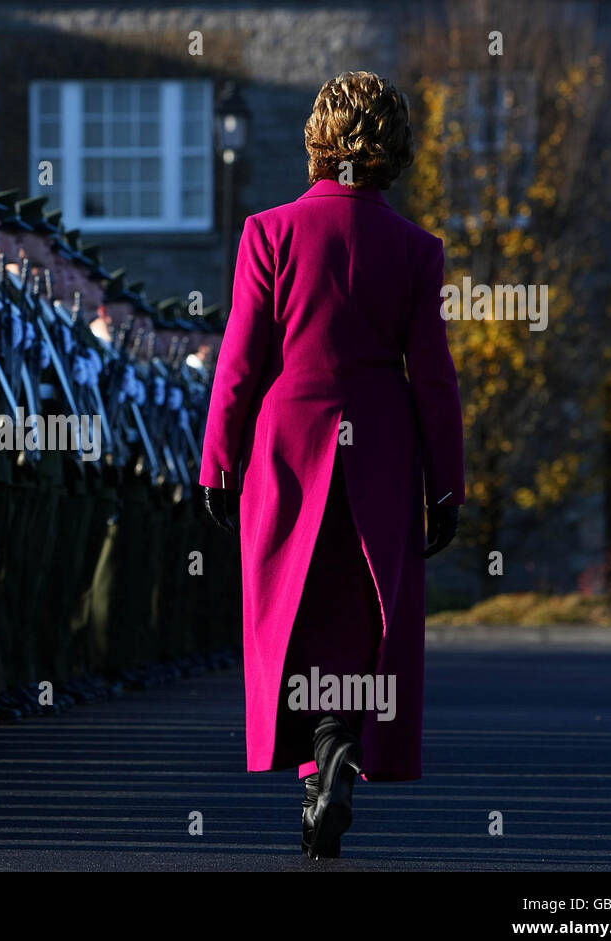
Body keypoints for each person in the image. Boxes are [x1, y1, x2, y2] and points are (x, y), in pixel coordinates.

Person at [199, 70, 465, 860]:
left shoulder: (268, 232)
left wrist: (218, 459)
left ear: (318, 140)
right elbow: (435, 379)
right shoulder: (417, 249)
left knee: (293, 613)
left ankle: (319, 759)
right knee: (363, 613)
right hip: (381, 442)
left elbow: (242, 361)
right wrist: (445, 485)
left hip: (288, 441)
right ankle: (338, 745)